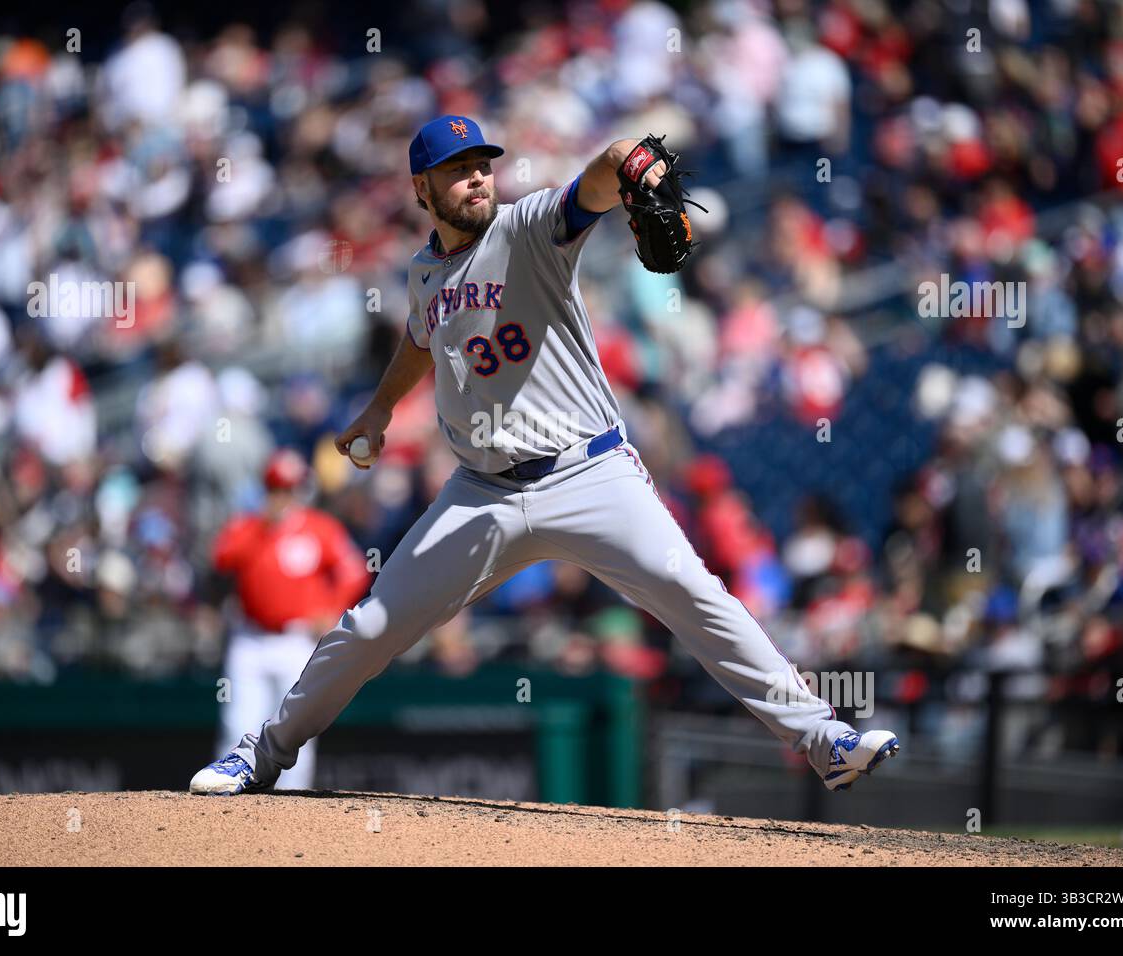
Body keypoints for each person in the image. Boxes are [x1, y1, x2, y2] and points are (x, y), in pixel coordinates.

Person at [191, 115, 899, 797]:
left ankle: (823, 739)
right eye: (456, 171)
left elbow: (593, 186)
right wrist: (379, 408)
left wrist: (624, 155)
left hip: (589, 472)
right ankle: (262, 754)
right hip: (482, 494)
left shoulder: (526, 227)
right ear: (421, 190)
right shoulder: (422, 273)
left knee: (696, 596)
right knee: (369, 627)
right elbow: (419, 337)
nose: (475, 180)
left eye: (480, 166)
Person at [208, 448, 371, 790]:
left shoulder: (319, 527)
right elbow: (221, 558)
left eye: (288, 489)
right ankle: (226, 796)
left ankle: (291, 808)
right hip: (250, 640)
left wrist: (331, 608)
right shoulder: (249, 527)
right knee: (237, 722)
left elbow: (354, 571)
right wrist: (263, 527)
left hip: (297, 641)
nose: (281, 497)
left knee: (295, 729)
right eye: (275, 489)